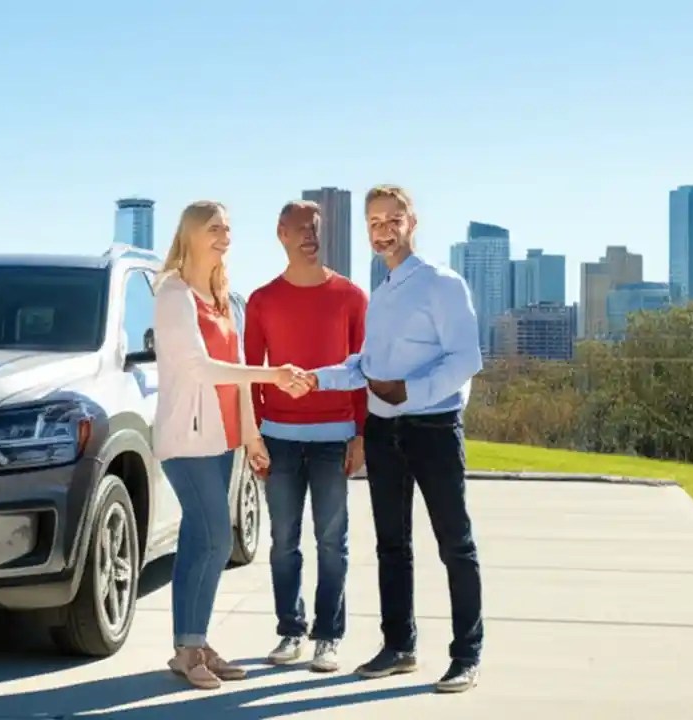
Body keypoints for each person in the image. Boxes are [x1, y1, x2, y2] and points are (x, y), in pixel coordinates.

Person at [311, 184, 485, 694]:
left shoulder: (441, 283)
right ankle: (399, 646)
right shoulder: (382, 291)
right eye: (373, 222)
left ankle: (467, 656)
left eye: (392, 219)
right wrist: (314, 377)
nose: (383, 229)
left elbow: (466, 360)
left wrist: (410, 391)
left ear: (413, 221)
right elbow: (367, 367)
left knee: (455, 544)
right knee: (392, 545)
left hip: (433, 428)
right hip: (384, 430)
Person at [152, 199, 311, 690]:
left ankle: (194, 644)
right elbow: (199, 368)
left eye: (228, 228)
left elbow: (236, 377)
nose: (225, 235)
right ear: (192, 233)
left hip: (221, 438)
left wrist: (250, 436)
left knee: (202, 540)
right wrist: (275, 374)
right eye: (215, 228)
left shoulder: (221, 295)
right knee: (216, 537)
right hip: (186, 438)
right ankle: (186, 649)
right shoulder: (174, 294)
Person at [244, 200, 368, 672]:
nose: (309, 236)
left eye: (315, 228)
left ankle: (328, 637)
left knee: (332, 542)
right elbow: (250, 373)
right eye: (299, 228)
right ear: (281, 234)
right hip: (278, 437)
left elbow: (362, 372)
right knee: (282, 541)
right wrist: (251, 434)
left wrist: (360, 435)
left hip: (335, 437)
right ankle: (290, 632)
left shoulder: (352, 297)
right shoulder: (262, 300)